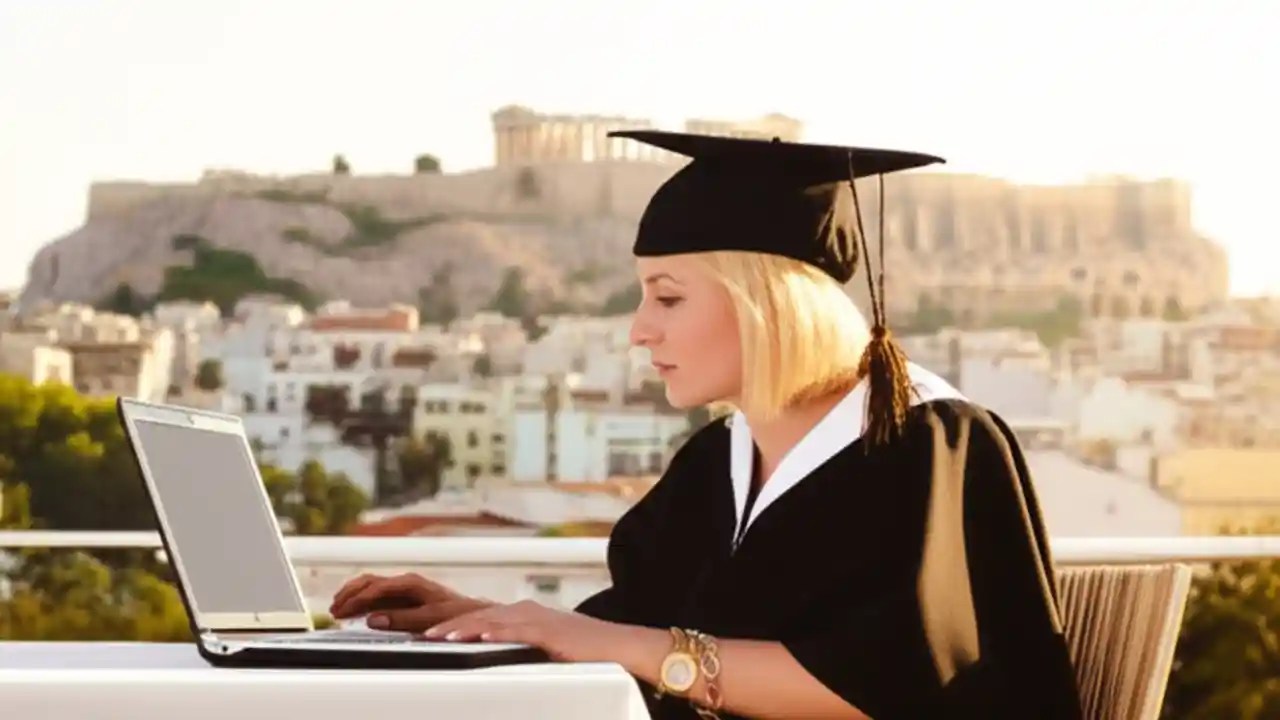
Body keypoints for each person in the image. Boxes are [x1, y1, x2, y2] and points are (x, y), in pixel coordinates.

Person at [329, 130, 1084, 719]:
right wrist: (481, 619)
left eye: (668, 297)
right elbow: (632, 627)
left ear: (768, 304)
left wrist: (596, 639)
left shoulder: (929, 444)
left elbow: (880, 683)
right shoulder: (716, 460)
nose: (639, 331)